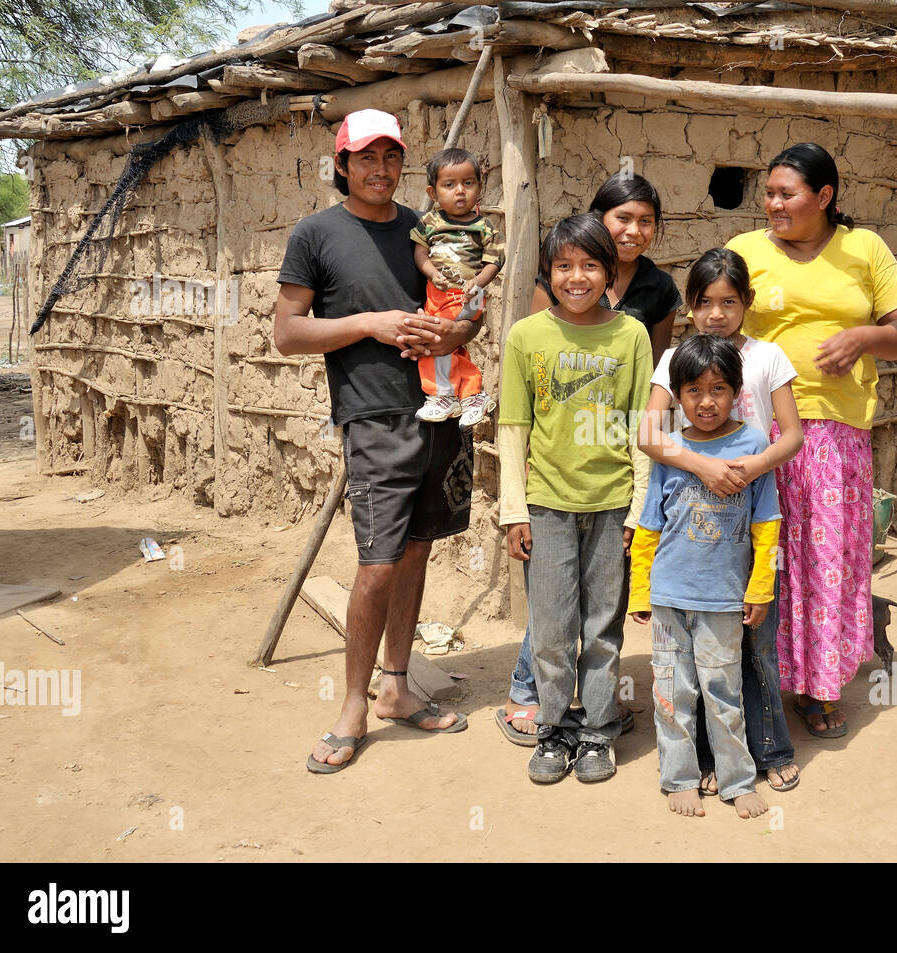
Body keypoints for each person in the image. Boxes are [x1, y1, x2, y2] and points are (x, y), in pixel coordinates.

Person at [274, 108, 470, 774]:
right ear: (342, 163)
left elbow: (463, 310)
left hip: (440, 410)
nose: (380, 169)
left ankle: (397, 685)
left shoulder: (426, 227)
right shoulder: (316, 235)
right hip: (373, 417)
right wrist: (370, 324)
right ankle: (352, 705)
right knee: (377, 562)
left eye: (391, 157)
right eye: (366, 157)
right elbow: (288, 333)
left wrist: (453, 333)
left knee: (416, 553)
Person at [726, 143, 897, 738]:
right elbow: (713, 316)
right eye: (769, 192)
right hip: (755, 429)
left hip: (835, 434)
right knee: (753, 555)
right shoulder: (745, 251)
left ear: (825, 197)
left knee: (824, 561)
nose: (773, 204)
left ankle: (817, 684)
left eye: (787, 194)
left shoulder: (865, 249)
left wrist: (863, 337)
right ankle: (746, 679)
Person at [497, 172, 682, 743]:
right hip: (547, 503)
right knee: (552, 627)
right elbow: (513, 426)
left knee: (603, 627)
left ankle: (600, 726)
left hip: (612, 504)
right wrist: (512, 510)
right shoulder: (527, 336)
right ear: (548, 274)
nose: (576, 278)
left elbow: (642, 425)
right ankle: (552, 728)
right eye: (563, 268)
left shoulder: (630, 336)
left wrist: (637, 510)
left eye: (590, 267)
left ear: (608, 274)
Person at [636, 248, 804, 793]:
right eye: (705, 302)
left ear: (747, 303)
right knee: (689, 669)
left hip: (750, 505)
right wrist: (704, 466)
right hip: (690, 501)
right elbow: (649, 435)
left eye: (728, 302)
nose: (716, 313)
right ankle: (702, 766)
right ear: (689, 306)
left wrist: (750, 467)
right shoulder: (674, 360)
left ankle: (769, 749)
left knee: (754, 647)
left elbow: (792, 436)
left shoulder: (768, 355)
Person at [629, 333, 780, 819]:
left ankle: (738, 780)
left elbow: (766, 526)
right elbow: (650, 525)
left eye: (717, 389)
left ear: (737, 390)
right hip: (671, 596)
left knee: (723, 691)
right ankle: (679, 779)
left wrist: (761, 587)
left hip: (723, 601)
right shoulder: (669, 451)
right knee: (672, 691)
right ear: (677, 395)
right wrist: (640, 590)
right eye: (693, 391)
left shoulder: (755, 446)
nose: (706, 401)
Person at [412, 147, 503, 428]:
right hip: (437, 294)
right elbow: (420, 254)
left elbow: (494, 261)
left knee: (437, 343)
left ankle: (444, 394)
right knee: (445, 344)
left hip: (468, 296)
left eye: (468, 183)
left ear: (479, 186)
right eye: (449, 185)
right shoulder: (430, 223)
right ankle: (471, 395)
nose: (460, 191)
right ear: (433, 193)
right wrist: (431, 273)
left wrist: (477, 283)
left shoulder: (484, 227)